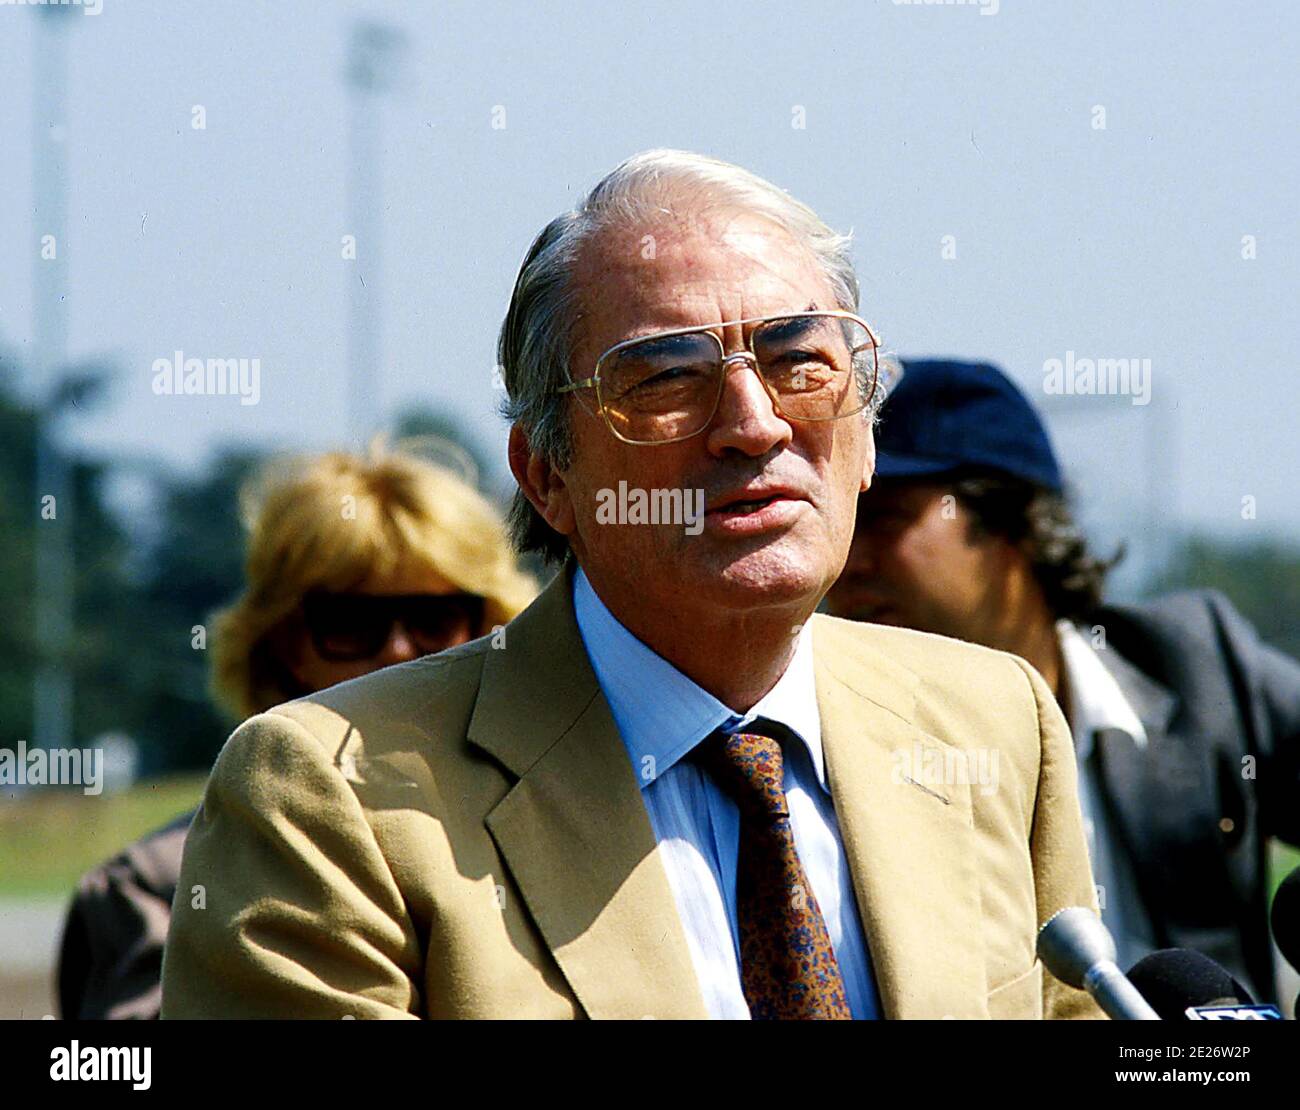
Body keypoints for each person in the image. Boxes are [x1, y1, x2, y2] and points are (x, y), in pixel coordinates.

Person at [162, 150, 1102, 1020]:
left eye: (799, 363)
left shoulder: (992, 722)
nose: (753, 425)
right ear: (548, 477)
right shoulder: (331, 798)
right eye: (664, 381)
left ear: (865, 435)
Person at [825, 358, 1300, 1001]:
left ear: (1012, 524)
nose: (847, 554)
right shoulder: (825, 735)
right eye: (840, 514)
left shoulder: (1197, 667)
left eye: (884, 517)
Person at [56, 442, 536, 1019]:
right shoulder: (151, 888)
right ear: (284, 644)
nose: (399, 649)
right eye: (351, 622)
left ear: (491, 631)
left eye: (435, 619)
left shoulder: (546, 836)